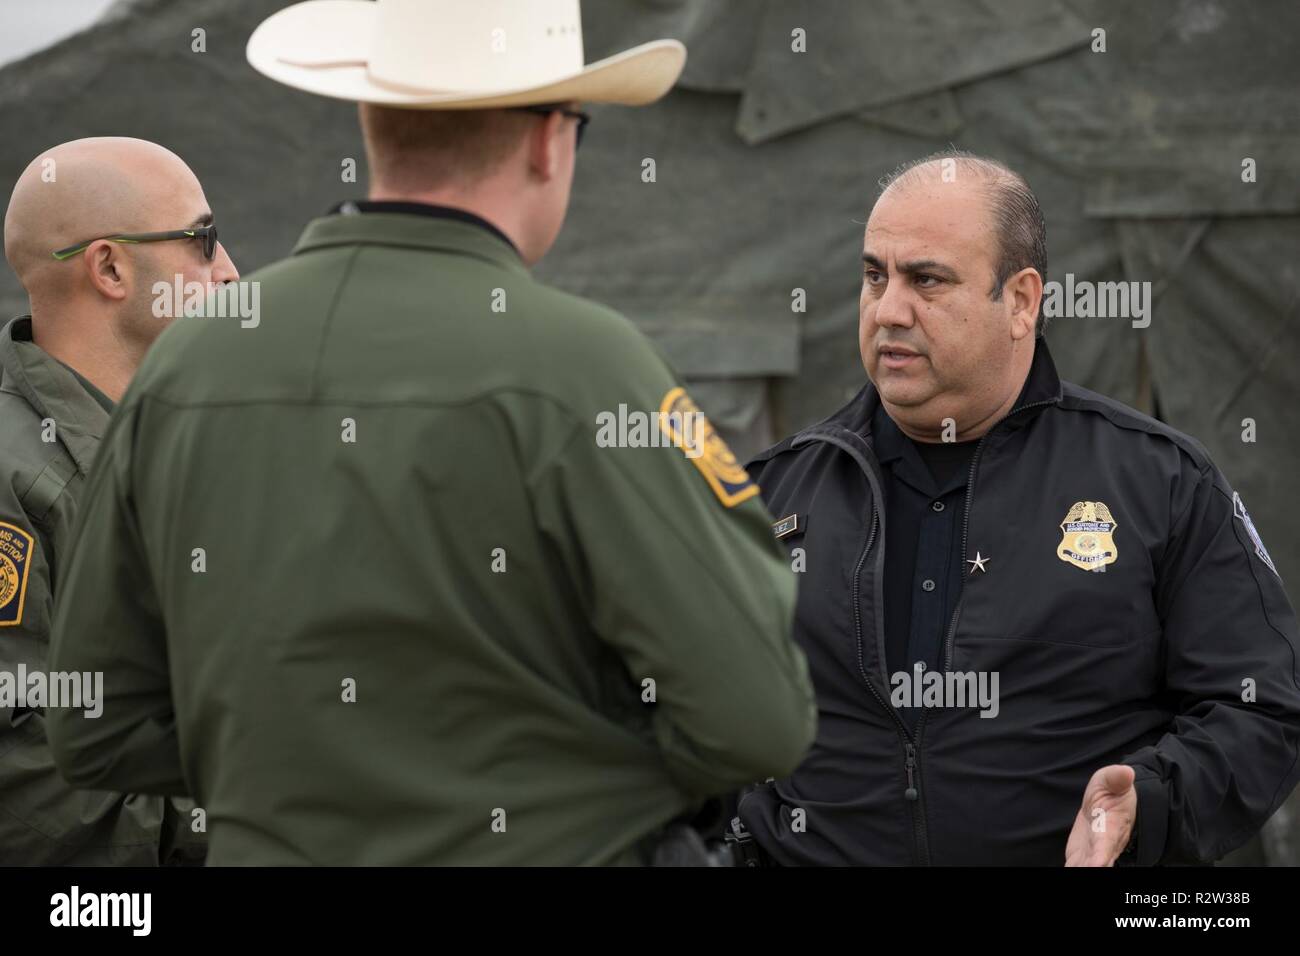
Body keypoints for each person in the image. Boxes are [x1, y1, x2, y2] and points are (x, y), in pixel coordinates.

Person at [46, 0, 815, 865]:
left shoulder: (182, 371)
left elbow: (92, 724)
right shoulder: (585, 367)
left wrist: (292, 765)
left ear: (374, 121)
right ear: (547, 141)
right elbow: (758, 720)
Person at [735, 150, 1300, 866]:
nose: (889, 310)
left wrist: (1149, 805)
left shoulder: (1159, 482)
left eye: (927, 280)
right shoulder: (774, 495)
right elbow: (694, 719)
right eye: (875, 276)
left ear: (1023, 300)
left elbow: (1262, 708)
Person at [1, 136, 237, 863]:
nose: (230, 273)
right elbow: (36, 791)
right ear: (109, 267)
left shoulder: (172, 440)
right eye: (203, 241)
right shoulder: (16, 482)